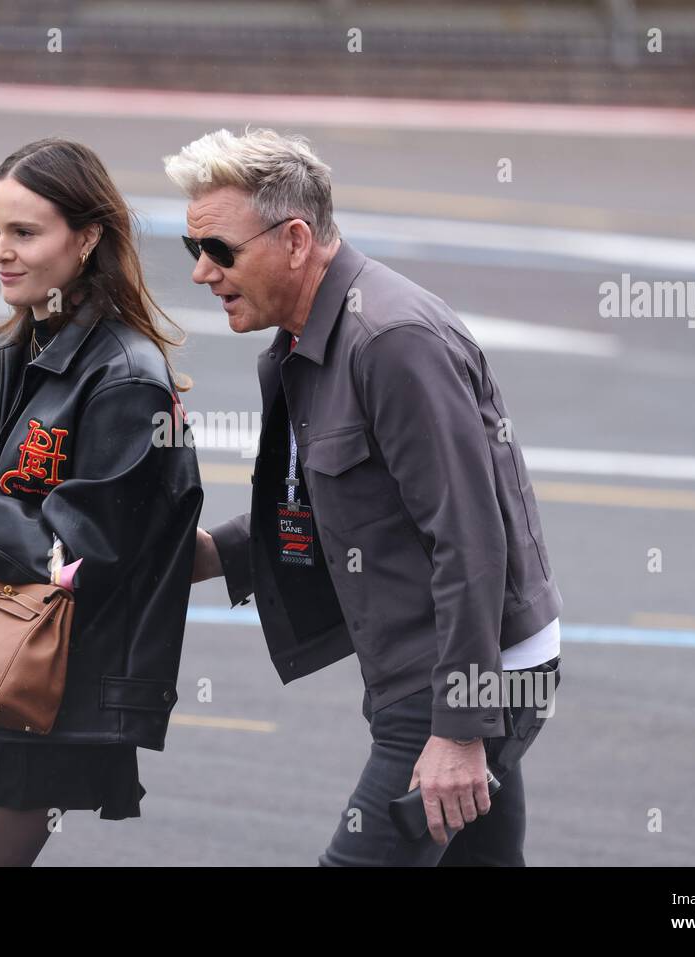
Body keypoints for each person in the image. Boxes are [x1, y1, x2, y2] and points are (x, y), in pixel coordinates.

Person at [165, 127, 564, 866]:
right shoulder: (309, 340)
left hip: (466, 673)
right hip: (443, 663)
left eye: (218, 250)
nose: (201, 272)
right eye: (192, 249)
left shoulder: (389, 340)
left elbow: (471, 539)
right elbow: (325, 507)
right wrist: (206, 556)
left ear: (293, 239)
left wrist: (461, 727)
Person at [0, 137, 203, 866]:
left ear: (88, 236)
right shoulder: (0, 361)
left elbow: (78, 554)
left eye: (24, 232)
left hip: (44, 690)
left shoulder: (126, 378)